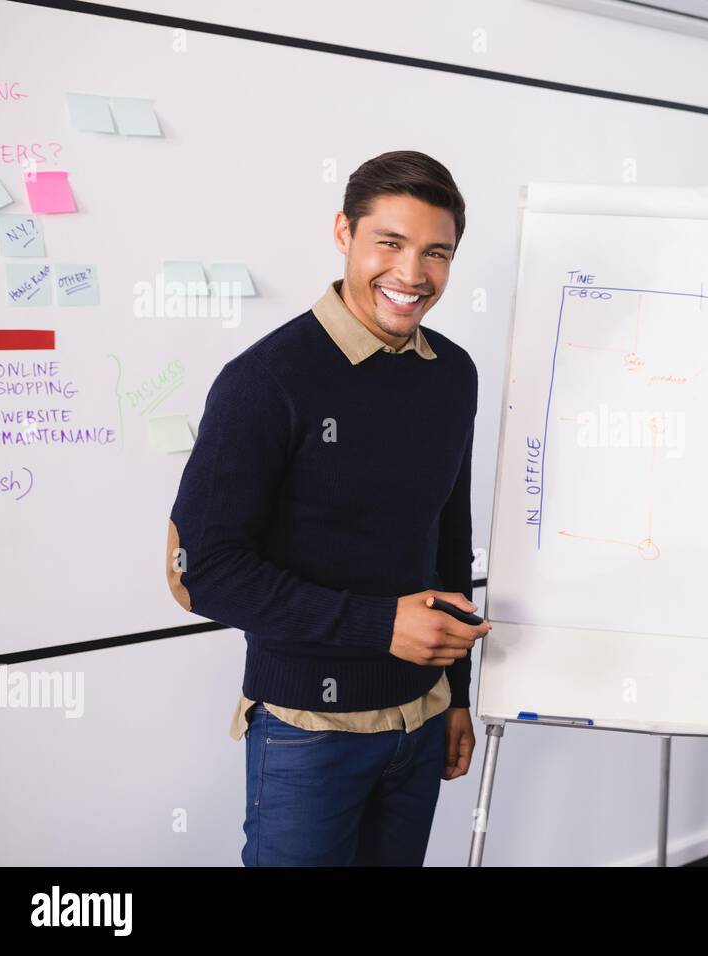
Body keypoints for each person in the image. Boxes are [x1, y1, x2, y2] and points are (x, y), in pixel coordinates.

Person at [166, 150, 490, 866]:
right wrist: (380, 626)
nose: (412, 276)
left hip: (424, 716)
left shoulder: (454, 374)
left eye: (436, 253)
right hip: (309, 730)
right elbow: (202, 572)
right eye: (390, 244)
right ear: (343, 232)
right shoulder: (265, 380)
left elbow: (449, 539)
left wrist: (457, 693)